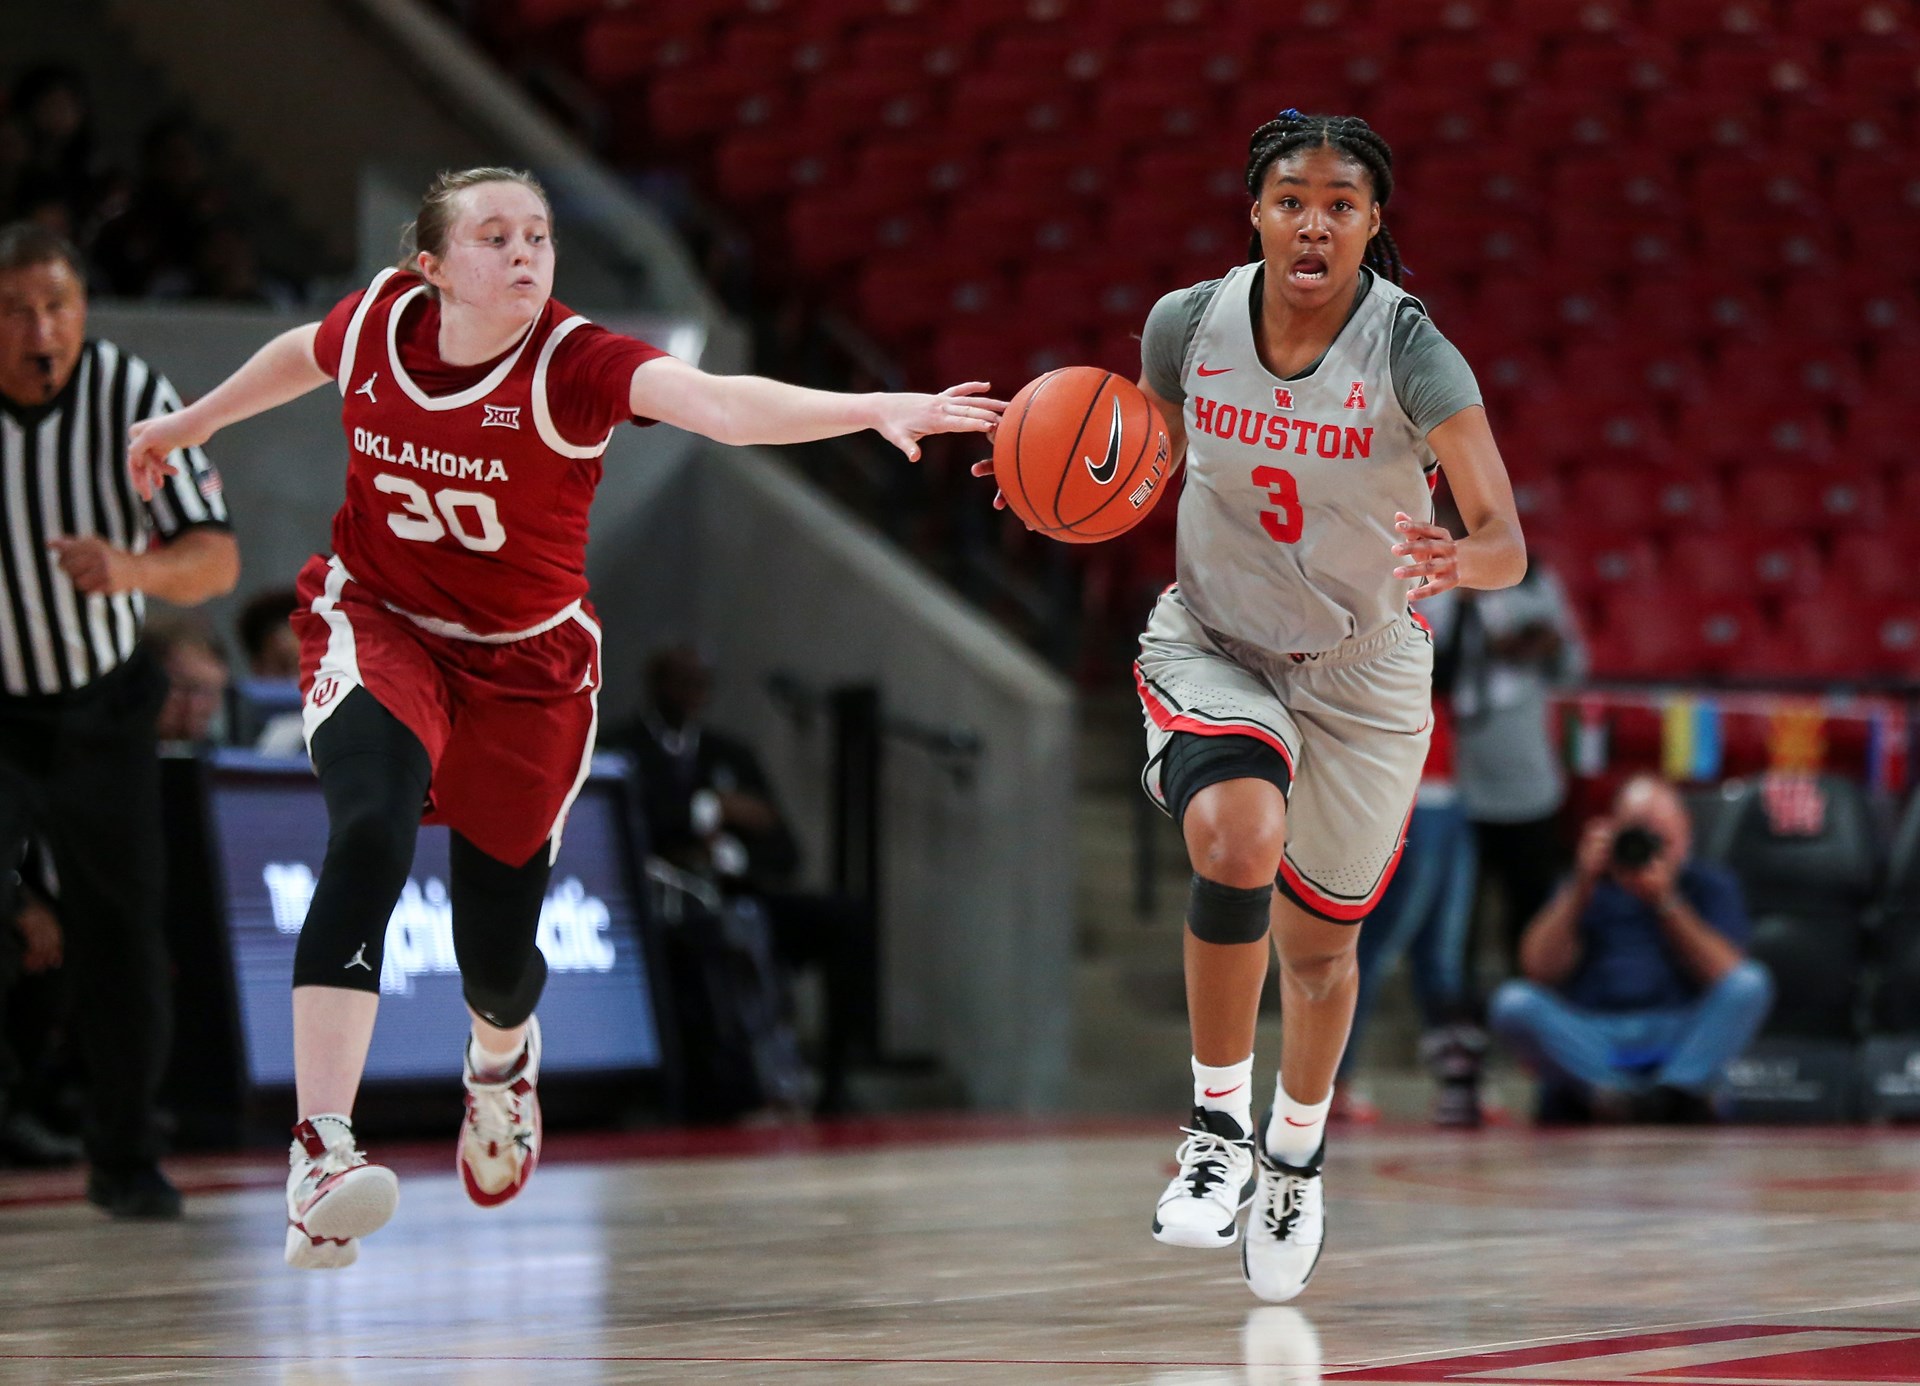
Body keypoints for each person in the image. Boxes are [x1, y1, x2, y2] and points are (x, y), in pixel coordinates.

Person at [126, 166, 1003, 1269]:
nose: (526, 254)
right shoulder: (383, 321)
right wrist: (194, 421)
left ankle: (499, 1063)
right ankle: (322, 1150)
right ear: (431, 268)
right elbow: (308, 349)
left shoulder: (575, 362)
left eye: (537, 235)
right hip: (380, 621)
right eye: (495, 236)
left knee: (494, 959)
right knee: (369, 828)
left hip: (528, 672)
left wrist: (871, 408)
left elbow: (722, 405)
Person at [978, 112, 1526, 1301]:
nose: (1313, 223)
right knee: (1238, 832)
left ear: (1373, 224)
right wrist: (1048, 471)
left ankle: (1295, 1153)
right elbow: (1143, 457)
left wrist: (1458, 558)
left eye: (1339, 204)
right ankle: (1217, 1129)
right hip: (1216, 641)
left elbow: (1507, 541)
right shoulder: (1186, 324)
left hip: (1362, 670)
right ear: (1257, 215)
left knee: (1320, 957)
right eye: (1291, 201)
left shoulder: (1412, 350)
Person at [0, 221, 239, 1217]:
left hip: (101, 706)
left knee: (124, 935)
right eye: (15, 311)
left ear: (84, 312)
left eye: (55, 307)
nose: (38, 330)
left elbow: (216, 557)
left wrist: (132, 568)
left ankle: (126, 1155)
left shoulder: (133, 398)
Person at [608, 644, 875, 1113]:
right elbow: (631, 830)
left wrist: (736, 853)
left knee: (845, 917)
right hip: (666, 905)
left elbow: (784, 849)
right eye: (683, 682)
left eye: (703, 683)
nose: (694, 694)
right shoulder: (621, 748)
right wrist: (705, 812)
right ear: (657, 685)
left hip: (737, 893)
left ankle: (835, 1082)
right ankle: (711, 1088)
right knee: (706, 940)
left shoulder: (731, 753)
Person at [1489, 774, 1773, 1123]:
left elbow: (1728, 974)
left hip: (1679, 1034)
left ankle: (1674, 1091)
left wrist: (1666, 902)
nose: (1648, 849)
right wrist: (1582, 885)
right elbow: (1538, 969)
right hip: (1597, 1036)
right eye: (1638, 834)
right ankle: (1622, 1097)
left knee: (1751, 982)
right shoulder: (1584, 886)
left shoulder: (1709, 884)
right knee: (1514, 1003)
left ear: (1685, 831)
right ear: (1614, 831)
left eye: (1661, 837)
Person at [1335, 686, 1484, 1128]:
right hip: (1405, 792)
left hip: (1450, 793)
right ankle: (1333, 1082)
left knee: (1442, 958)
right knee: (1375, 949)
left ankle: (1456, 1086)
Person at [1445, 562, 1586, 963]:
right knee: (1455, 918)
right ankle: (1454, 995)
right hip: (1455, 784)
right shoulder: (1431, 583)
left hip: (1528, 783)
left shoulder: (1535, 582)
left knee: (1531, 905)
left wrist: (1546, 642)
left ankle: (1527, 989)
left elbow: (1573, 666)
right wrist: (1462, 610)